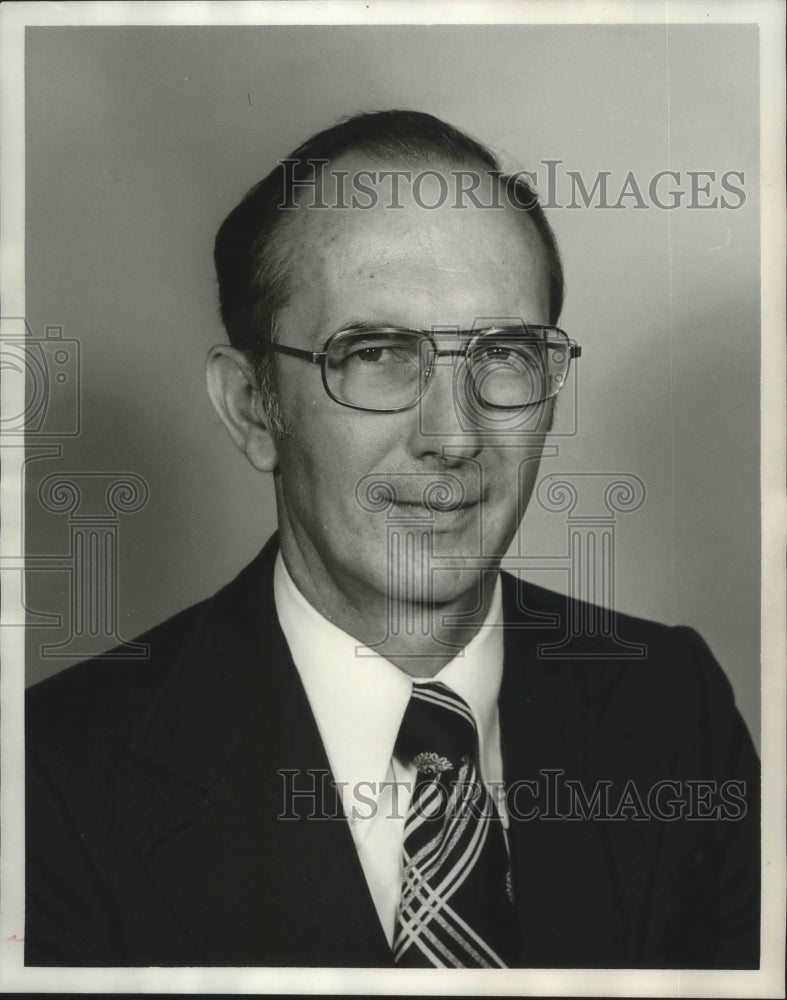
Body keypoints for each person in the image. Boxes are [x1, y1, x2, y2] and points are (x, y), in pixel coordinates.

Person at [25, 110, 759, 969]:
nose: (453, 434)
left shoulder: (674, 706)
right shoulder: (53, 779)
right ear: (252, 407)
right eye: (376, 353)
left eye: (505, 353)